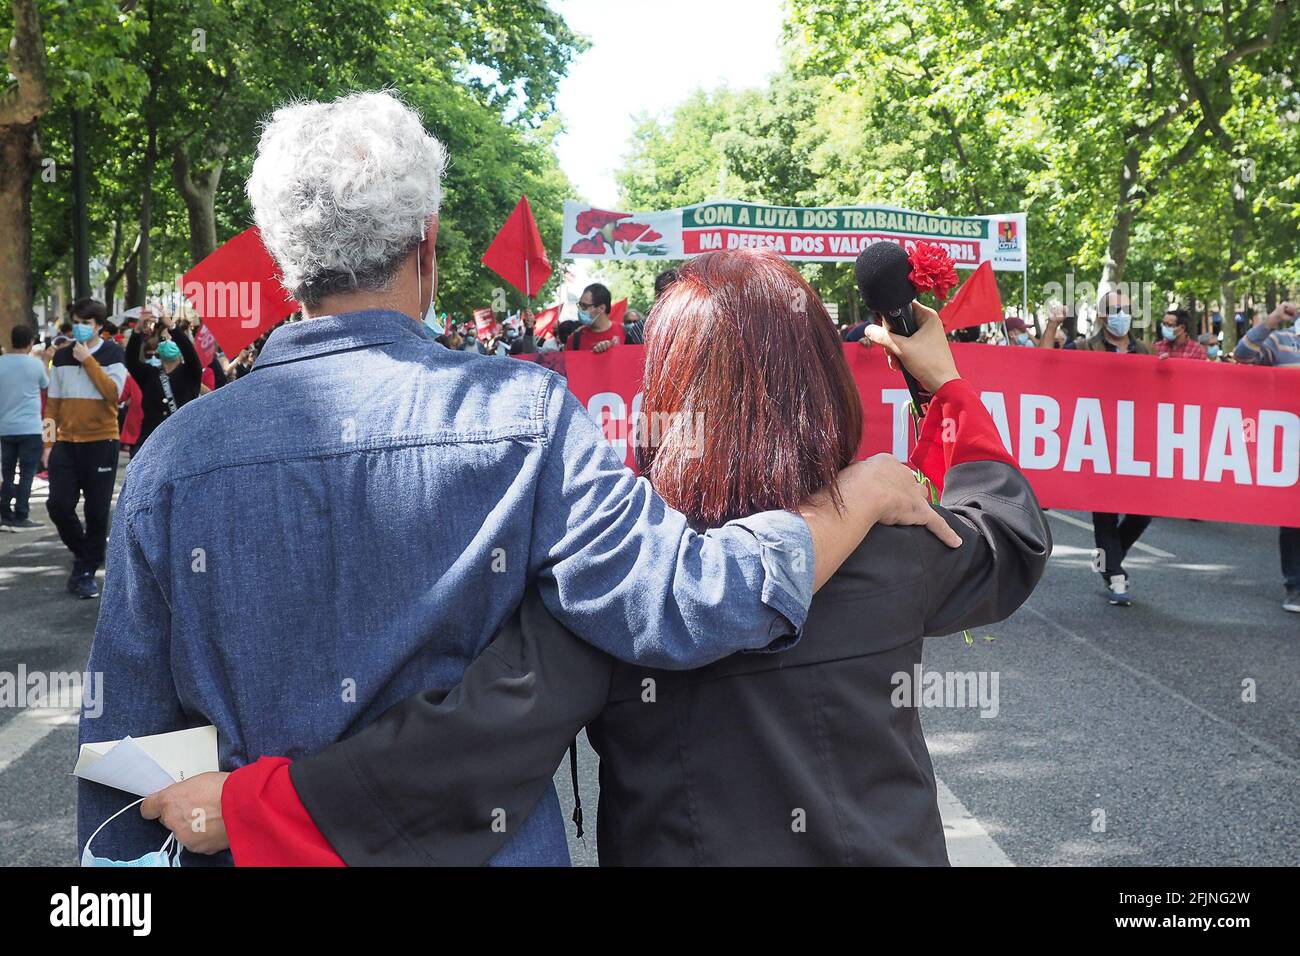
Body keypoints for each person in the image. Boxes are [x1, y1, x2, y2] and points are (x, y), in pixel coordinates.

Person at [80, 90, 955, 867]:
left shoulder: (168, 461)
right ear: (427, 243)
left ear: (282, 259)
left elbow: (123, 763)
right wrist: (862, 491)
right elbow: (688, 603)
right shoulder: (522, 417)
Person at [146, 249, 1050, 866]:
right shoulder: (893, 540)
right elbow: (1011, 536)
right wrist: (944, 382)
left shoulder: (620, 576)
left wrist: (249, 807)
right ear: (822, 378)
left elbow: (468, 748)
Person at [44, 299, 128, 599]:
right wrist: (48, 442)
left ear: (99, 327)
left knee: (96, 511)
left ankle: (85, 572)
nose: (80, 327)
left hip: (101, 441)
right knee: (58, 504)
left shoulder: (113, 353)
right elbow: (52, 404)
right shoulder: (62, 356)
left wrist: (88, 362)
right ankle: (87, 556)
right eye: (77, 321)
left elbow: (113, 395)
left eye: (87, 322)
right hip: (66, 443)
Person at [1074, 289, 1150, 605]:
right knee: (1105, 513)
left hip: (1136, 443)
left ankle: (1109, 554)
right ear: (1103, 316)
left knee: (1144, 510)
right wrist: (1051, 327)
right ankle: (1115, 575)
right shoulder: (1082, 348)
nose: (1122, 316)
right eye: (1116, 310)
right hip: (1098, 440)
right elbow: (1045, 366)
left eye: (1126, 309)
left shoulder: (1144, 351)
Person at [1233, 301, 1300, 613]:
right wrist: (1271, 321)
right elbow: (1243, 356)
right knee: (1294, 519)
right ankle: (1296, 586)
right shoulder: (1282, 341)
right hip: (1292, 446)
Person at [124, 313, 203, 448]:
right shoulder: (148, 373)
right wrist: (137, 331)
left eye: (171, 338)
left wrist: (172, 327)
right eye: (163, 338)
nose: (167, 341)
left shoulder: (190, 372)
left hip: (181, 442)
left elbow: (190, 354)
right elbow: (131, 360)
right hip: (150, 442)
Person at [0, 324, 50, 531]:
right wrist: (46, 360)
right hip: (30, 427)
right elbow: (46, 386)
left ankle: (4, 512)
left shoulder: (1, 363)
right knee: (27, 473)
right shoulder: (35, 365)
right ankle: (21, 513)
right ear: (30, 343)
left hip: (4, 427)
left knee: (8, 472)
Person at [565, 282, 620, 353]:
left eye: (584, 306)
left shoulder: (625, 333)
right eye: (580, 305)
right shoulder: (574, 339)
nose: (580, 310)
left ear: (601, 308)